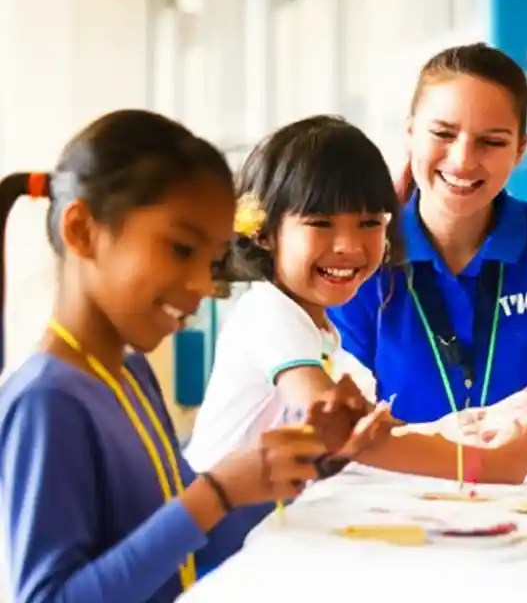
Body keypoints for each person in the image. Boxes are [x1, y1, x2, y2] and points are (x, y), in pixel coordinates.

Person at [0, 111, 332, 603]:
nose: (202, 287)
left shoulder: (132, 377)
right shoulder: (48, 400)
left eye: (212, 261)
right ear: (83, 231)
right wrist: (214, 493)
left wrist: (293, 467)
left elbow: (186, 553)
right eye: (180, 249)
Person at [186, 115, 527, 483]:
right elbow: (336, 429)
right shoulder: (268, 313)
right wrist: (485, 465)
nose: (349, 246)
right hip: (217, 536)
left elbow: (365, 432)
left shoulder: (319, 330)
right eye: (320, 223)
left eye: (369, 223)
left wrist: (458, 429)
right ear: (264, 233)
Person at [329, 43, 527, 454]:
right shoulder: (362, 246)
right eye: (443, 134)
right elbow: (343, 430)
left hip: (525, 495)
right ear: (410, 132)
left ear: (520, 149)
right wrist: (443, 438)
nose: (463, 160)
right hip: (395, 496)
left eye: (491, 142)